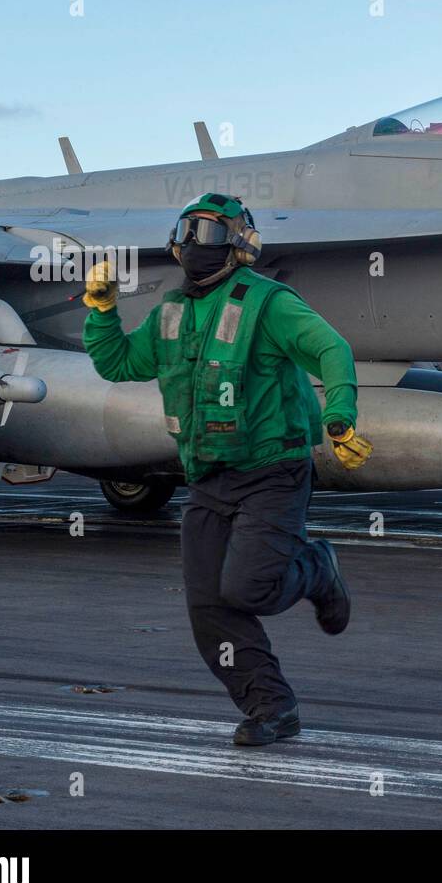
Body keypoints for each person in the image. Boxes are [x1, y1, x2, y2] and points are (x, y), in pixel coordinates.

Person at [82, 192, 373, 747]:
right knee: (207, 608)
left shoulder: (268, 303)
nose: (195, 243)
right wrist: (101, 312)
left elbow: (332, 349)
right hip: (208, 477)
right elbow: (120, 363)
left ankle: (318, 568)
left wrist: (339, 416)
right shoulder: (171, 312)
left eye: (211, 233)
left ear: (239, 247)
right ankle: (272, 707)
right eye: (188, 230)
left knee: (251, 588)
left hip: (273, 471)